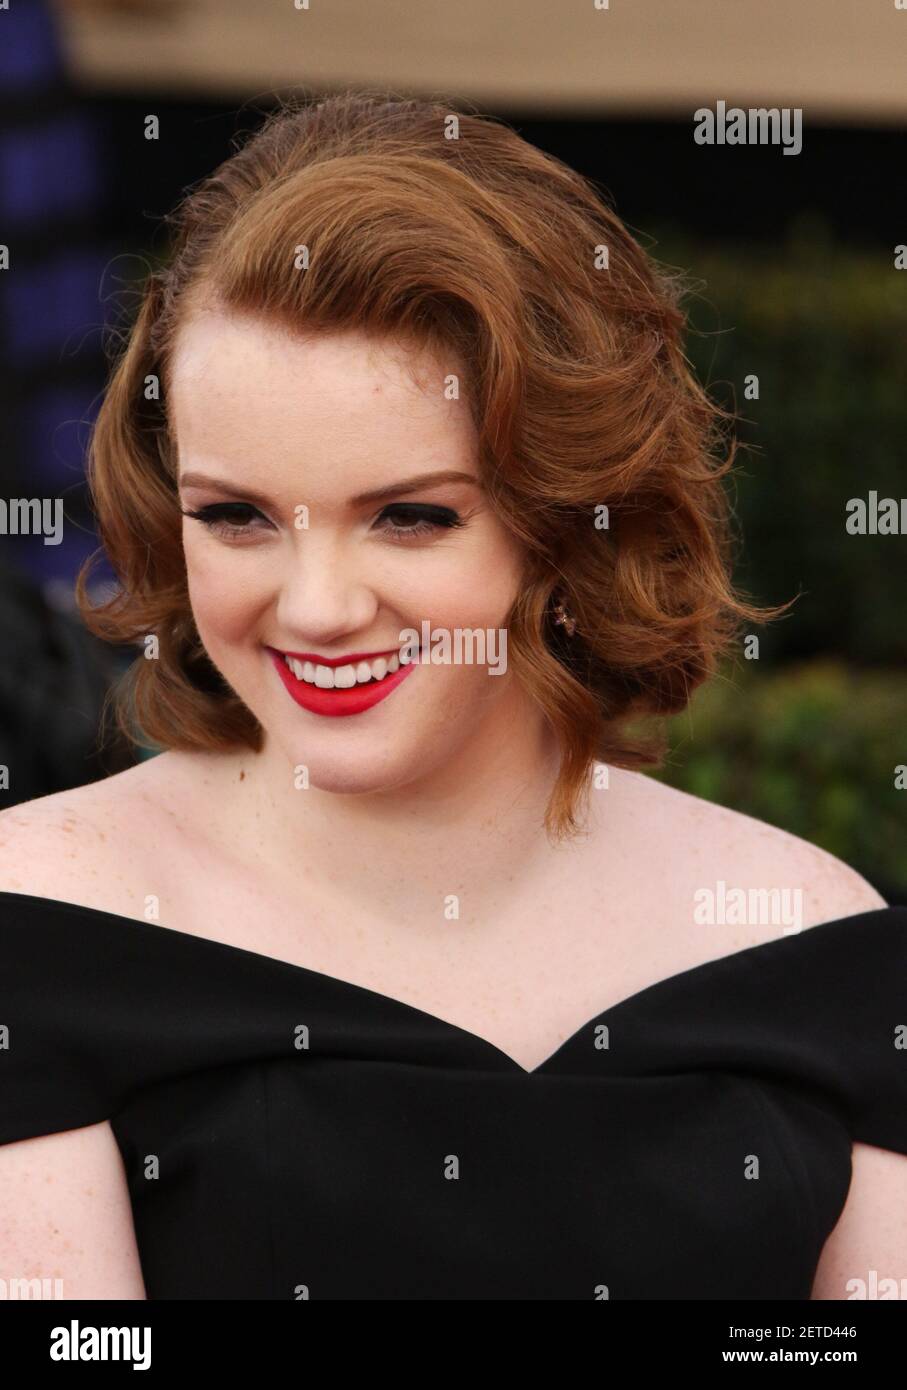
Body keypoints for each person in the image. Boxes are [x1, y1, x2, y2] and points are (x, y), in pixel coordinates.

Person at [0, 90, 904, 1302]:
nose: (317, 606)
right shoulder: (42, 924)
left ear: (570, 519)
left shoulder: (815, 940)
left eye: (411, 515)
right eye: (237, 516)